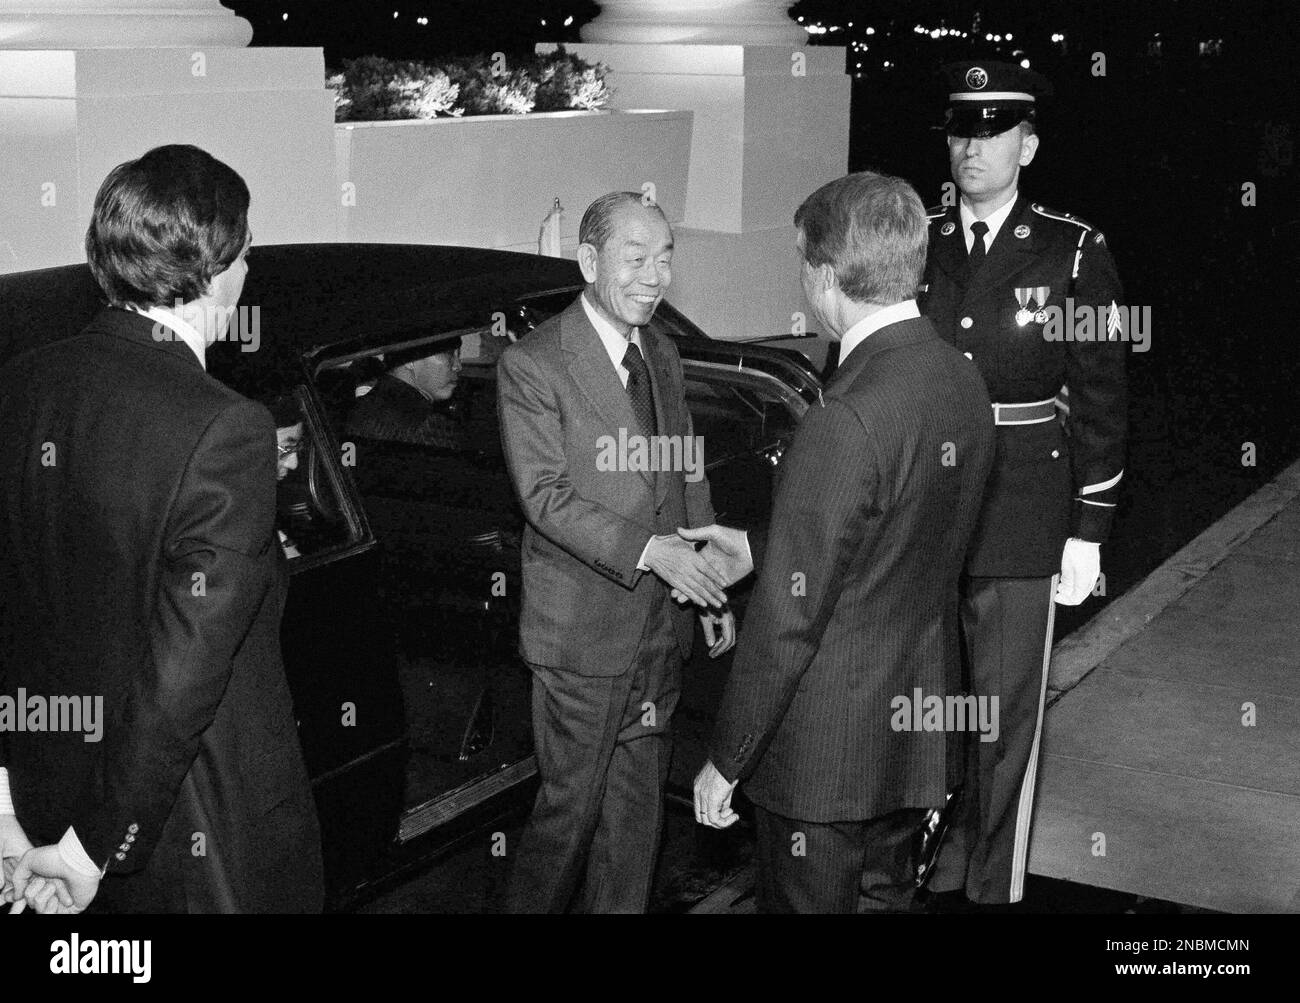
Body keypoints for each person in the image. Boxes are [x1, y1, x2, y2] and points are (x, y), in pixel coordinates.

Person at [0, 144, 324, 914]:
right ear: (218, 268)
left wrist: (8, 811)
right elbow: (181, 676)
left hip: (43, 799)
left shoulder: (20, 385)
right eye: (248, 247)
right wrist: (88, 850)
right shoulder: (226, 427)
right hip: (190, 835)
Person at [691, 172, 995, 913]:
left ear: (827, 278)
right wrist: (765, 544)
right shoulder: (960, 379)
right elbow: (899, 530)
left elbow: (790, 623)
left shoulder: (845, 416)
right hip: (909, 737)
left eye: (802, 262)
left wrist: (728, 759)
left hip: (825, 759)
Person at [918, 61, 1127, 905]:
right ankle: (925, 857)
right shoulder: (916, 238)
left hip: (1023, 507)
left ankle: (992, 884)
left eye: (994, 129)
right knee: (929, 704)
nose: (973, 146)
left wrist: (1090, 526)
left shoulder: (1075, 250)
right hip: (926, 505)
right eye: (962, 130)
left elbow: (1104, 392)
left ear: (1028, 144)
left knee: (1002, 716)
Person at [497, 191, 735, 913]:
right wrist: (651, 552)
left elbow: (683, 462)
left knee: (636, 825)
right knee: (568, 819)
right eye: (636, 258)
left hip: (660, 632)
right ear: (590, 259)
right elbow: (545, 496)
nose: (654, 276)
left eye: (665, 258)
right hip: (581, 640)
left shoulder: (658, 350)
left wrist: (709, 573)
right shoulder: (535, 365)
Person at [345, 341, 463, 448]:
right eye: (448, 354)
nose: (458, 366)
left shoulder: (359, 407)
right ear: (410, 360)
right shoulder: (429, 426)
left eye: (458, 355)